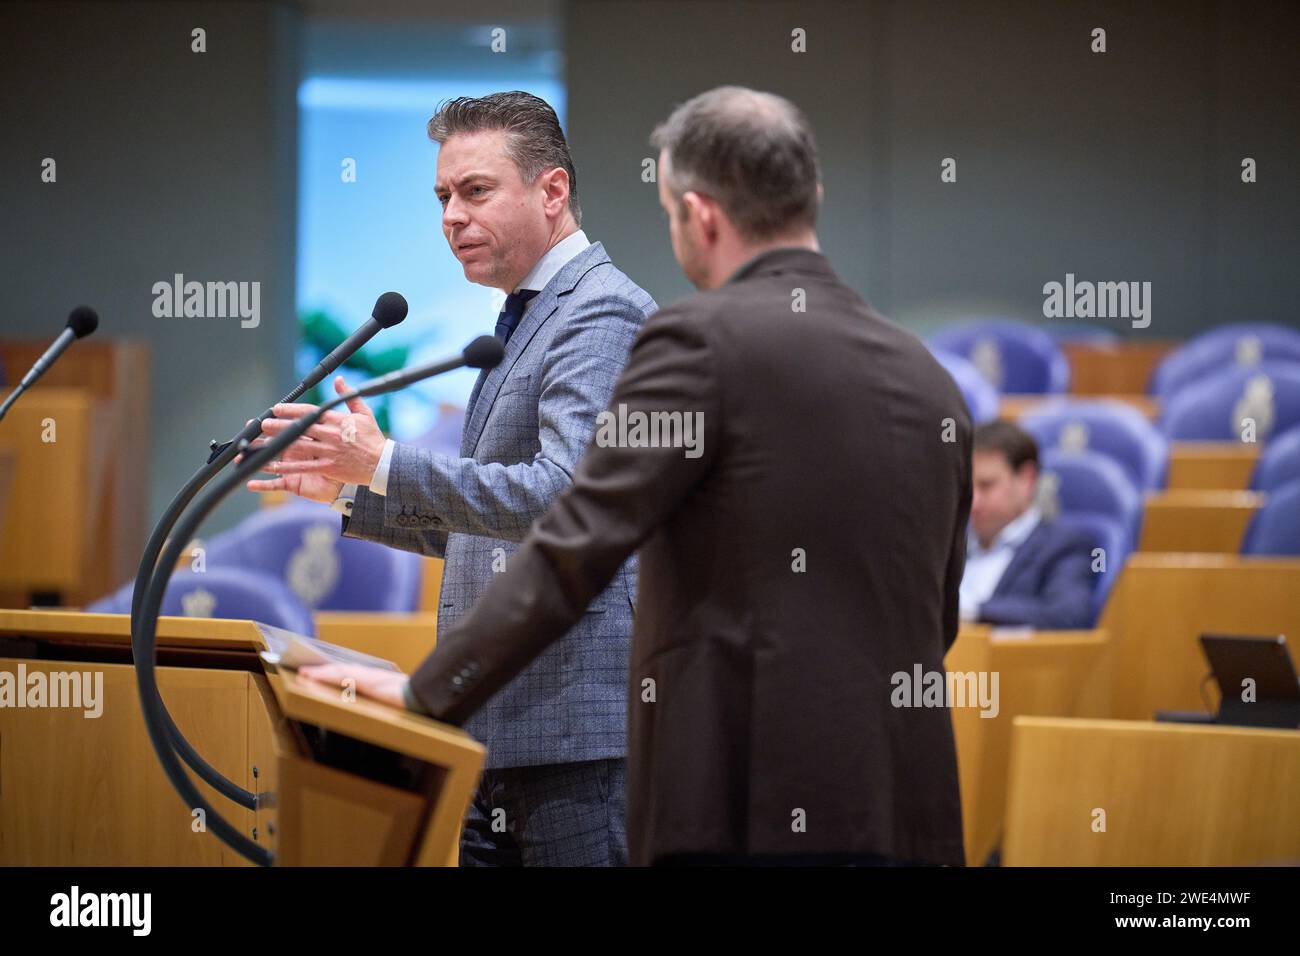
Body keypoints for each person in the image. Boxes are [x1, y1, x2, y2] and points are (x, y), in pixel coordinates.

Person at [297, 86, 970, 866]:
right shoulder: (927, 376)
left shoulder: (693, 338)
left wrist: (428, 692)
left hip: (738, 788)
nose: (452, 213)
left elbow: (574, 534)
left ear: (699, 214)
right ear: (809, 195)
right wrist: (363, 486)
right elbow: (938, 607)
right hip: (903, 793)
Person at [248, 91, 655, 866]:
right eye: (443, 196)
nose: (451, 217)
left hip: (573, 733)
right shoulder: (524, 316)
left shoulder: (601, 312)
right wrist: (346, 487)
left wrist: (386, 463)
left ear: (553, 191)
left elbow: (565, 498)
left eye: (475, 191)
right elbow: (493, 530)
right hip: (487, 729)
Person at [959, 420, 1096, 629]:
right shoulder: (950, 543)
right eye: (968, 487)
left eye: (986, 486)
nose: (973, 501)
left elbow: (1067, 616)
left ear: (1026, 480)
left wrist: (974, 611)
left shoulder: (1065, 546)